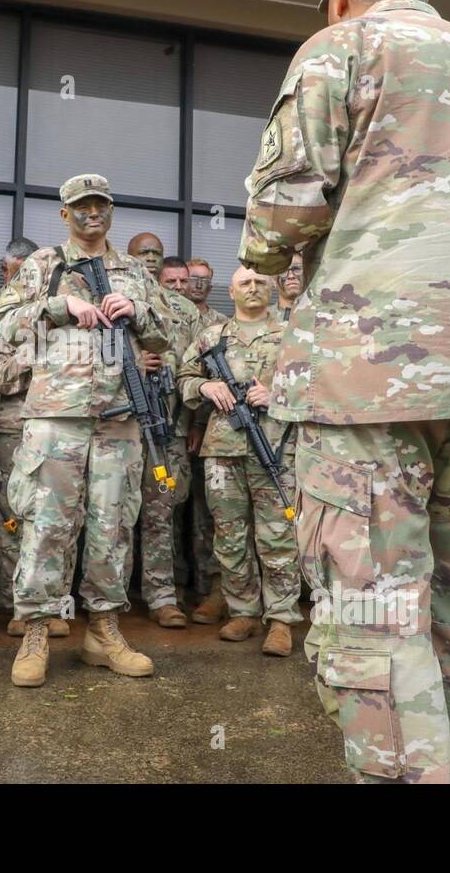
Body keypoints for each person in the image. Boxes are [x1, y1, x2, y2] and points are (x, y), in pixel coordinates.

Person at [238, 0, 450, 782]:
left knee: (377, 621)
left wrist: (262, 262)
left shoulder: (340, 48)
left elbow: (282, 212)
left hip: (365, 381)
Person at [0, 173, 169, 688]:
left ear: (110, 211)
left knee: (113, 528)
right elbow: (5, 323)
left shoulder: (134, 271)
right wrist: (58, 305)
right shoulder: (44, 265)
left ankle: (103, 631)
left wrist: (137, 311)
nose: (93, 213)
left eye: (101, 205)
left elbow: (169, 331)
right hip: (56, 416)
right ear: (64, 213)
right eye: (81, 206)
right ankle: (35, 629)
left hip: (118, 418)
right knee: (46, 526)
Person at [177, 266, 300, 655]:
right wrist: (205, 385)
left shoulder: (293, 335)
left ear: (272, 287)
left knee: (278, 536)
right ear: (231, 292)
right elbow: (182, 378)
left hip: (276, 449)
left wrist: (279, 395)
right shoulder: (212, 337)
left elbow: (318, 384)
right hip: (222, 450)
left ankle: (281, 619)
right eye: (245, 283)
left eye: (260, 282)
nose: (252, 288)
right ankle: (242, 610)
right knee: (229, 535)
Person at [0, 238, 73, 636]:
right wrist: (34, 357)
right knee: (15, 512)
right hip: (16, 426)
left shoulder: (66, 311)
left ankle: (57, 604)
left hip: (63, 425)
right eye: (15, 272)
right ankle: (20, 605)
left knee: (64, 515)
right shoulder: (4, 316)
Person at [126, 237, 199, 628]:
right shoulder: (117, 302)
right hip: (118, 428)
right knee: (114, 515)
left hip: (166, 429)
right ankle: (108, 600)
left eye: (157, 253)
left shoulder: (185, 310)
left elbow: (198, 370)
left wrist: (191, 424)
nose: (151, 260)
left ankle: (162, 596)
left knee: (160, 513)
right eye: (143, 254)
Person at [182, 256, 226, 624]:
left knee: (212, 515)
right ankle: (194, 587)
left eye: (202, 279)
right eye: (189, 278)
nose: (195, 285)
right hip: (177, 428)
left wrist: (198, 422)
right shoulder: (172, 316)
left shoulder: (220, 327)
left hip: (215, 431)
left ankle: (212, 591)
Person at [275, 255, 305, 323]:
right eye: (283, 270)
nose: (291, 276)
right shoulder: (262, 317)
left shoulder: (323, 315)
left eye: (297, 269)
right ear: (273, 279)